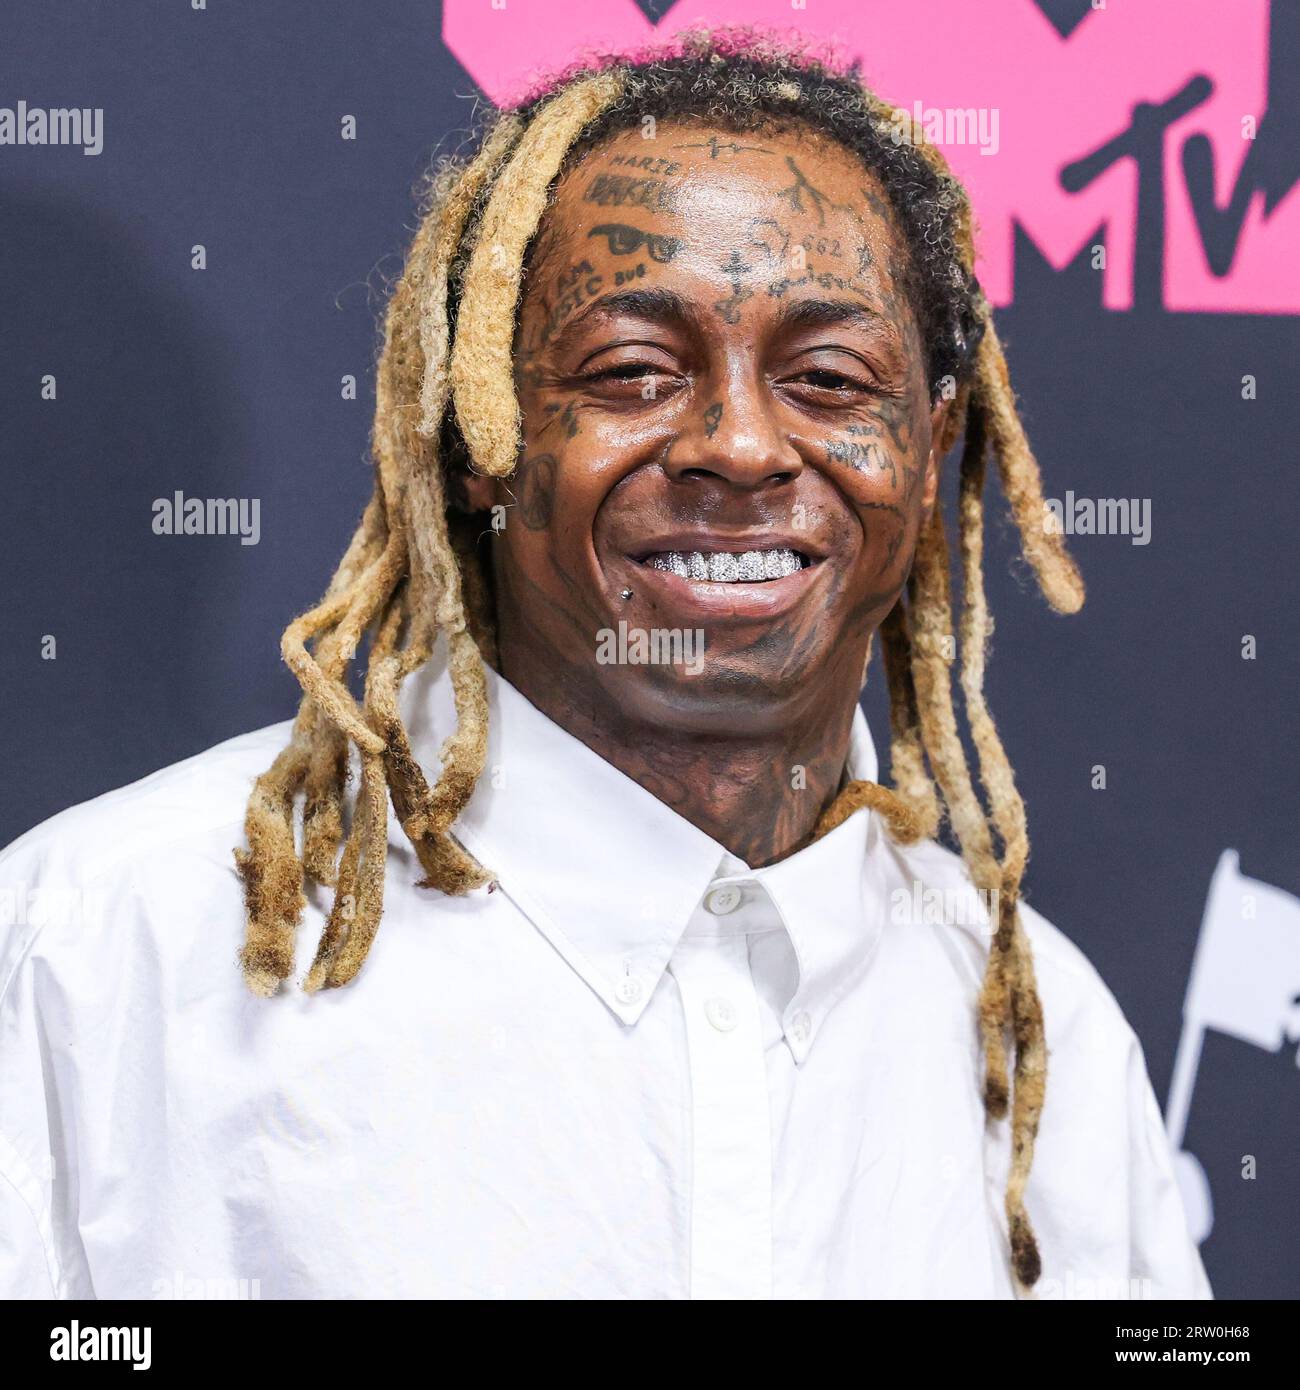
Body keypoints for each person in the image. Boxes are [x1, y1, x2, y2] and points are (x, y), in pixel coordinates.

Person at [0, 28, 1210, 1299]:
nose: (741, 446)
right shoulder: (102, 951)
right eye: (632, 371)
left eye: (827, 376)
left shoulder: (1042, 1046)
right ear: (483, 429)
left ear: (929, 441)